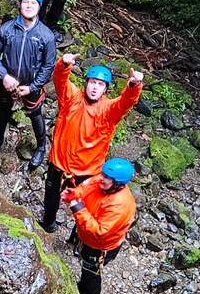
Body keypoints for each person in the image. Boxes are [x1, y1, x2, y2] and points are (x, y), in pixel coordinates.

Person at [40, 53, 143, 232]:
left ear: (105, 89)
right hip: (60, 162)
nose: (95, 88)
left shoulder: (109, 110)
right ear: (86, 83)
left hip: (87, 170)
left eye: (100, 84)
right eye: (92, 82)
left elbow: (126, 102)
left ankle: (79, 238)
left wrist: (134, 85)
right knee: (51, 197)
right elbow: (60, 81)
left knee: (88, 207)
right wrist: (64, 65)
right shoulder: (71, 98)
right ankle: (48, 223)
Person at [0, 0, 57, 170]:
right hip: (7, 82)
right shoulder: (7, 29)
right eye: (26, 2)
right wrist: (3, 76)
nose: (29, 6)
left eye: (33, 3)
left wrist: (33, 87)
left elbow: (48, 66)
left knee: (34, 113)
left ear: (39, 7)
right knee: (3, 110)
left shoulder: (46, 36)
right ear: (20, 5)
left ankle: (41, 147)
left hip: (30, 84)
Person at [62, 158, 137, 294]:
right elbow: (86, 187)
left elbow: (99, 231)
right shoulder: (103, 180)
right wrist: (74, 193)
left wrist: (78, 208)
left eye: (107, 178)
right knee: (86, 268)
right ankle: (83, 285)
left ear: (118, 184)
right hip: (87, 237)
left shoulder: (120, 205)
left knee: (92, 273)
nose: (101, 178)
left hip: (100, 246)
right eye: (102, 174)